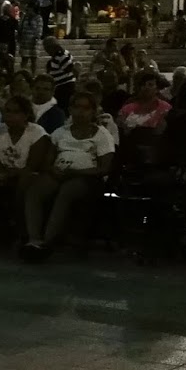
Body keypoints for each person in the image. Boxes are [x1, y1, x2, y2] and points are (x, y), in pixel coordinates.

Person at [22, 90, 114, 261]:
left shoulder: (102, 135)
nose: (81, 112)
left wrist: (77, 172)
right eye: (77, 107)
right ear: (70, 109)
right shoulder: (60, 132)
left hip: (88, 177)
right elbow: (48, 160)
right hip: (61, 172)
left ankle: (47, 242)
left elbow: (105, 168)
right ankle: (33, 239)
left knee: (67, 191)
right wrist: (53, 169)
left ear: (93, 111)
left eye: (86, 108)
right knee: (35, 190)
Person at [0, 94, 48, 246]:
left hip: (27, 174)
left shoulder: (37, 133)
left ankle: (21, 231)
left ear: (26, 115)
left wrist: (8, 175)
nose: (9, 116)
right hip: (4, 171)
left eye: (15, 112)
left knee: (24, 182)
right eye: (7, 111)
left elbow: (33, 165)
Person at [44, 36, 78, 107]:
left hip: (65, 87)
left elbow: (70, 68)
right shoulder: (59, 55)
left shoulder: (60, 55)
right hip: (61, 87)